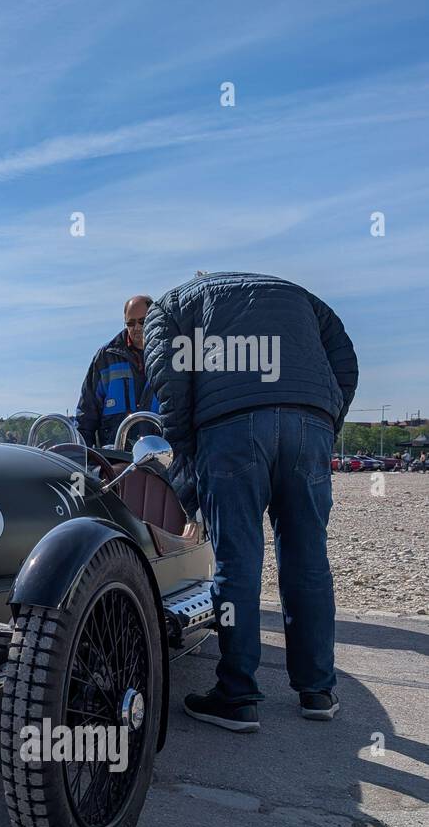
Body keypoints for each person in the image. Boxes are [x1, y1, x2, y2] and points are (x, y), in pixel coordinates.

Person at [145, 272, 358, 732]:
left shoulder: (169, 307)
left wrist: (186, 460)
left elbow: (171, 388)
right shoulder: (301, 294)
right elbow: (344, 360)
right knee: (308, 559)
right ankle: (318, 689)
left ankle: (237, 695)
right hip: (309, 420)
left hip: (231, 428)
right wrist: (324, 419)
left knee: (237, 562)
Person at [75, 295, 160, 448]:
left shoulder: (170, 356)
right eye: (130, 323)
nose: (137, 328)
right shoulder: (105, 358)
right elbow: (86, 414)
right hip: (116, 458)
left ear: (154, 318)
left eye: (142, 321)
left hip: (162, 458)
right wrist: (82, 458)